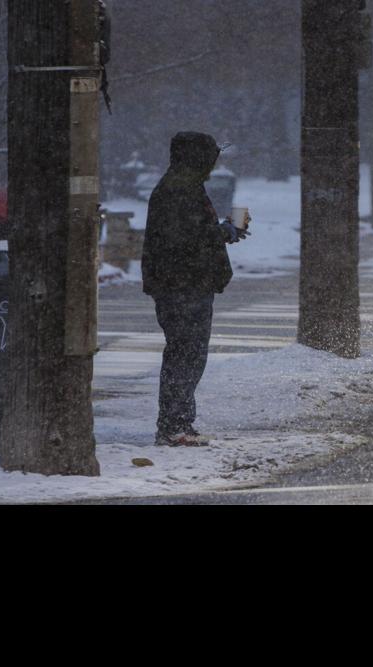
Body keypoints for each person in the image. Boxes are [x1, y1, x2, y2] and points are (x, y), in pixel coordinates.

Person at [141, 131, 249, 447]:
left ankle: (179, 422)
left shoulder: (183, 187)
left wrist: (222, 233)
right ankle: (174, 425)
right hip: (182, 286)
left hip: (186, 283)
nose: (213, 166)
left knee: (188, 354)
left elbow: (190, 236)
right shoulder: (177, 191)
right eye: (210, 158)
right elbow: (184, 242)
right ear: (197, 158)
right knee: (184, 354)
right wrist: (221, 233)